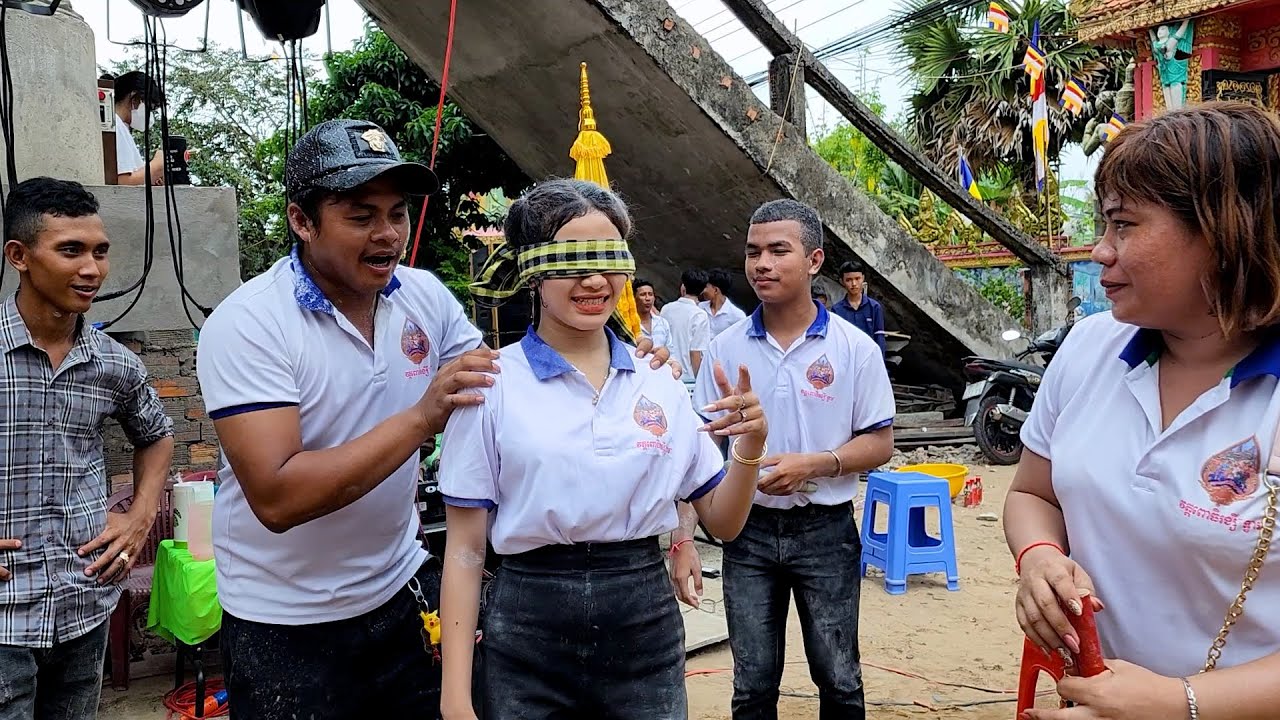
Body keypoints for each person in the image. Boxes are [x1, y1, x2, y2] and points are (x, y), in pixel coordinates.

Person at [196, 120, 674, 719]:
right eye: (360, 215)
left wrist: (623, 358)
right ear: (301, 220)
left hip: (399, 591)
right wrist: (424, 417)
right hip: (287, 620)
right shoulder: (250, 325)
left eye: (397, 213)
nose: (388, 234)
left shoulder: (423, 298)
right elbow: (277, 497)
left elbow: (511, 386)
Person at [437, 178, 768, 720]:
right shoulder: (492, 387)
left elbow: (724, 523)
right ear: (533, 270)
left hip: (643, 621)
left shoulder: (658, 383)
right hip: (526, 627)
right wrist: (455, 698)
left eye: (609, 258)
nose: (595, 279)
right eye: (572, 260)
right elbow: (467, 551)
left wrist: (749, 448)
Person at [1006, 102, 1280, 720]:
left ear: (1222, 232)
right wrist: (1039, 556)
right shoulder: (1088, 348)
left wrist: (1179, 702)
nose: (1100, 251)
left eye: (1124, 225)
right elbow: (1033, 494)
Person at [692, 199, 895, 719]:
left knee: (839, 678)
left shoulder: (854, 349)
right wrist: (685, 527)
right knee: (753, 683)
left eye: (779, 250)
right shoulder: (725, 348)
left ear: (814, 260)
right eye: (753, 251)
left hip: (826, 531)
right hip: (747, 532)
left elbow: (879, 442)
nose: (763, 264)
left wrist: (817, 464)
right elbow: (701, 446)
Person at [0, 177, 175, 720]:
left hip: (84, 601)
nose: (92, 269)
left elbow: (157, 434)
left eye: (99, 251)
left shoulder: (114, 364)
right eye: (70, 250)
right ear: (19, 256)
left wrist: (141, 514)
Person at [106, 71, 165, 186]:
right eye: (150, 107)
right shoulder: (115, 126)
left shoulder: (121, 128)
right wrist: (157, 166)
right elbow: (122, 182)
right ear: (135, 98)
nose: (150, 114)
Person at [659, 268, 712, 385]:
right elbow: (695, 353)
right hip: (687, 378)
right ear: (703, 290)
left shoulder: (666, 309)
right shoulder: (699, 315)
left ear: (683, 287)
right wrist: (699, 381)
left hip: (664, 370)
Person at [830, 260, 886, 357]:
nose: (854, 283)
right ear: (842, 281)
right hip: (847, 359)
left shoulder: (874, 307)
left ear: (863, 278)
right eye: (848, 280)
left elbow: (879, 337)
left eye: (857, 278)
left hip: (869, 359)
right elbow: (836, 341)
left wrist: (880, 363)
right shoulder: (837, 310)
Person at [700, 266, 747, 337]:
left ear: (716, 290)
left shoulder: (737, 315)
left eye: (706, 287)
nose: (703, 291)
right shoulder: (700, 307)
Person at [633, 276, 671, 349]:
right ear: (634, 298)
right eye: (643, 295)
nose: (647, 298)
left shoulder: (662, 322)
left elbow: (670, 349)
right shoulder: (629, 325)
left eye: (650, 294)